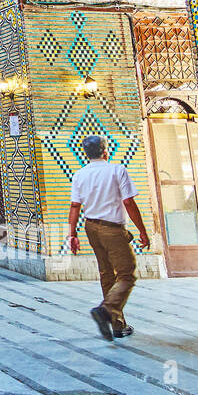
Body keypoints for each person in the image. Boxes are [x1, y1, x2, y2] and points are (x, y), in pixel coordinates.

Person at [68, 134, 151, 341]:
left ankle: (118, 325)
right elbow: (129, 203)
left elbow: (75, 206)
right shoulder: (117, 170)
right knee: (127, 274)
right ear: (106, 150)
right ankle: (106, 310)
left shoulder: (80, 175)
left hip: (91, 227)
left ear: (85, 154)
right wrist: (142, 230)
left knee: (107, 274)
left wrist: (72, 234)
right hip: (112, 229)